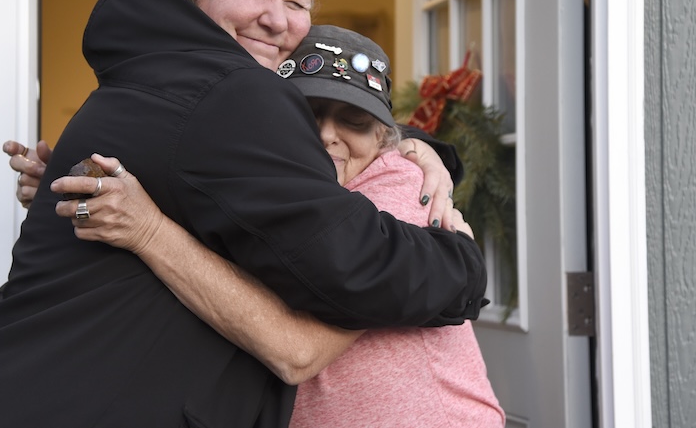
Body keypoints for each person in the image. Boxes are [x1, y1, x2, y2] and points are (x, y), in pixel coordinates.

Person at [0, 0, 487, 428]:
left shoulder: (155, 72)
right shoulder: (231, 91)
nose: (277, 16)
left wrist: (419, 150)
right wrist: (460, 258)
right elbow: (349, 276)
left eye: (296, 1)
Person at [52, 25, 505, 427]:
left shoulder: (399, 184)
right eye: (308, 112)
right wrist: (70, 188)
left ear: (385, 139)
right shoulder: (280, 192)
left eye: (355, 121)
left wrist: (147, 230)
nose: (328, 133)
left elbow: (298, 352)